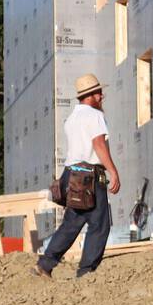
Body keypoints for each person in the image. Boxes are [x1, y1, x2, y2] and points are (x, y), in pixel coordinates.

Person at [35, 74, 121, 278]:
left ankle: (45, 264)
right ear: (89, 95)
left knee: (73, 222)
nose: (102, 96)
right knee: (100, 225)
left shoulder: (72, 118)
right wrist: (113, 171)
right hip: (89, 176)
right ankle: (86, 271)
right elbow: (98, 145)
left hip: (71, 175)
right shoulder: (94, 116)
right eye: (99, 93)